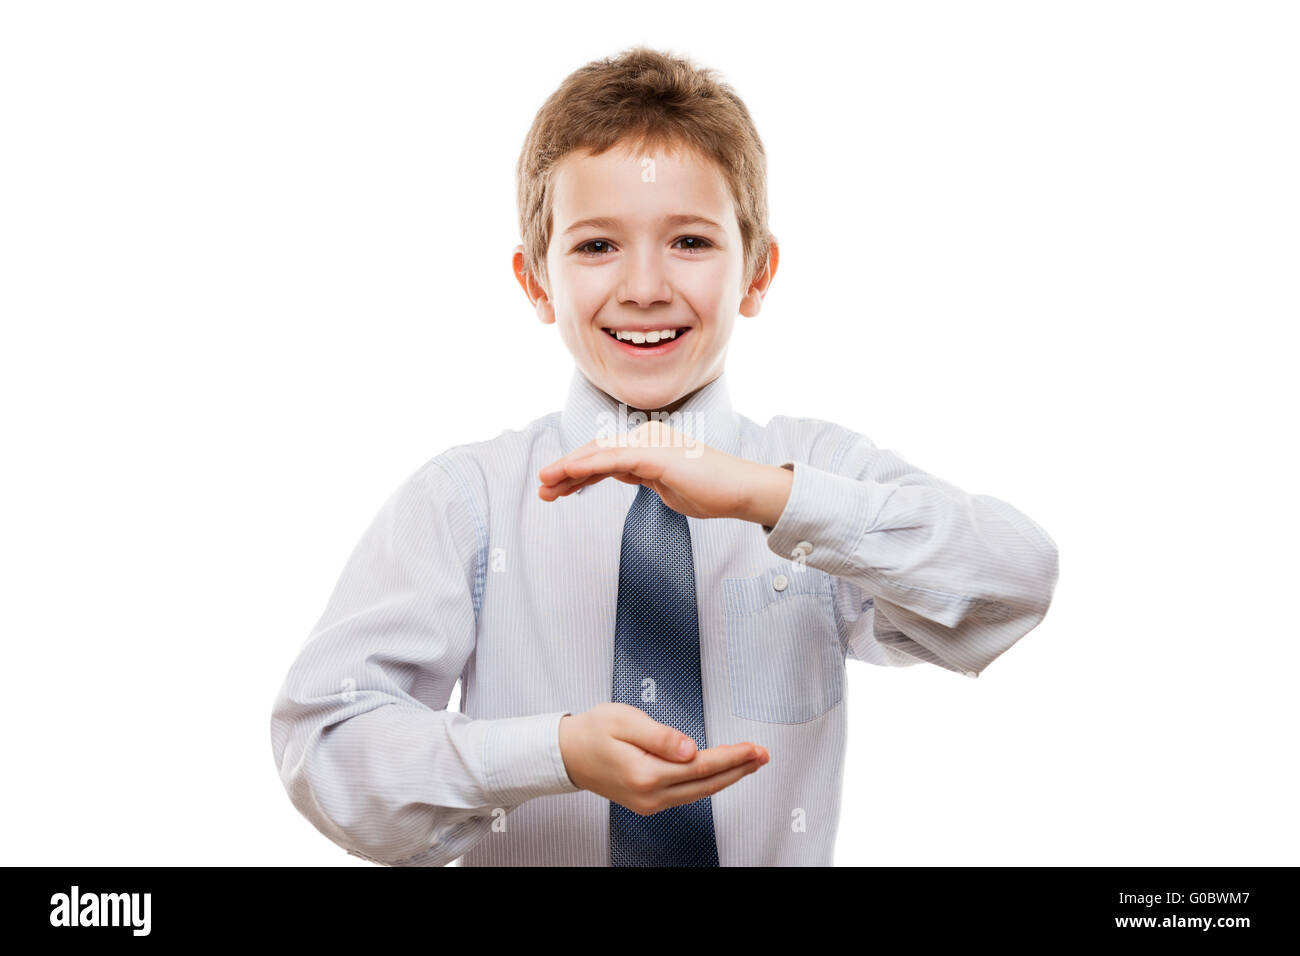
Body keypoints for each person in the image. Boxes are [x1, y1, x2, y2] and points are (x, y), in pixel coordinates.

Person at [269, 45, 1060, 866]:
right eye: (595, 247)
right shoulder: (468, 499)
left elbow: (1015, 581)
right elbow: (324, 744)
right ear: (536, 283)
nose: (644, 286)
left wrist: (771, 499)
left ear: (757, 272)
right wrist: (555, 753)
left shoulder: (812, 473)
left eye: (689, 241)